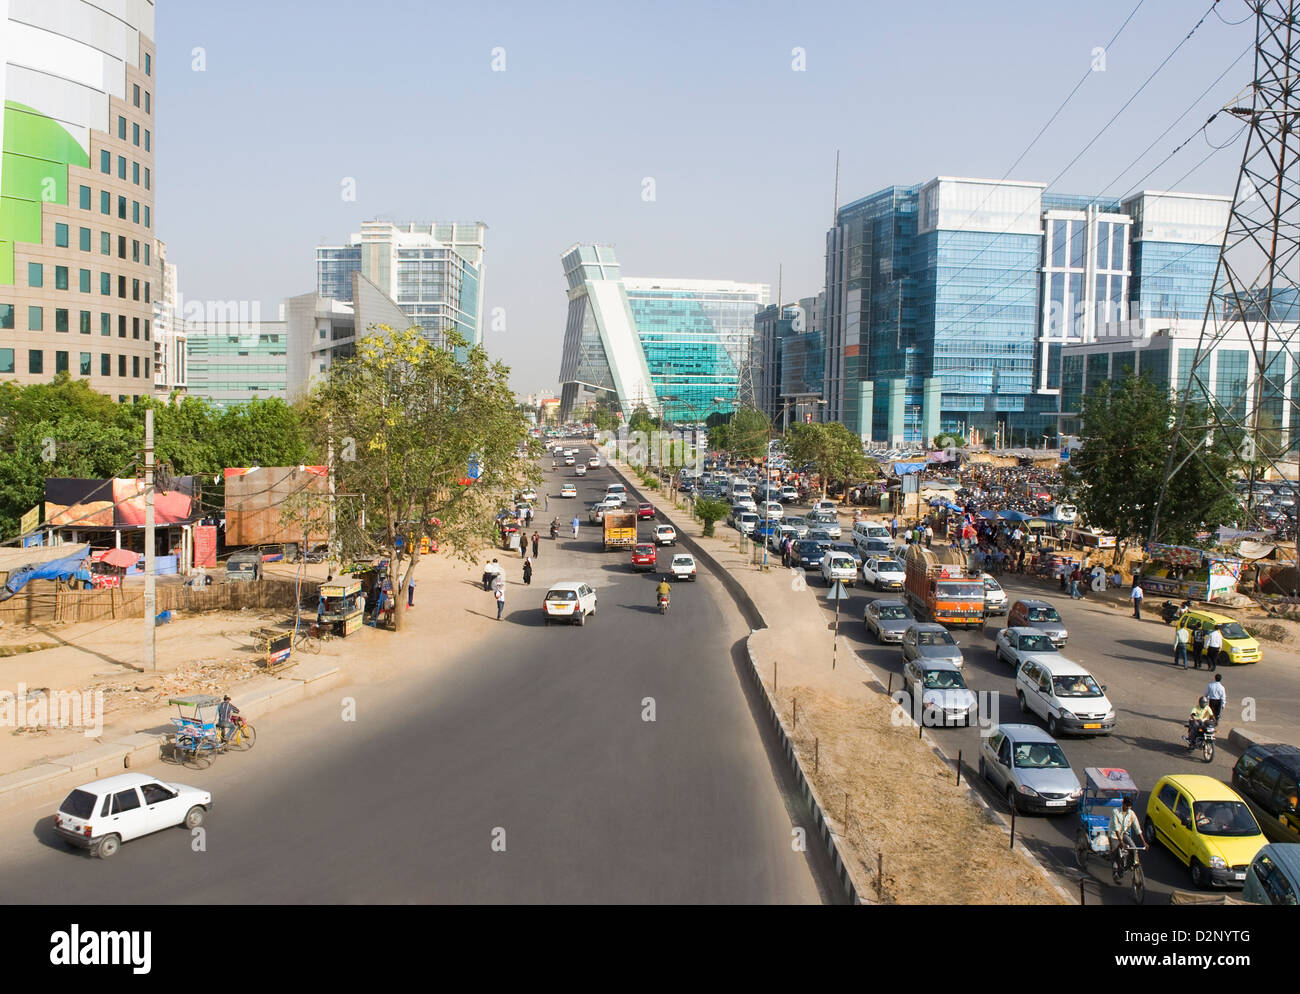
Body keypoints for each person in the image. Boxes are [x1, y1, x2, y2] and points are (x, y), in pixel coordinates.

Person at [1108, 796, 1145, 877]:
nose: (1128, 808)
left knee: (1134, 848)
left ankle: (1131, 864)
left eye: (1130, 806)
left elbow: (1137, 828)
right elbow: (1116, 829)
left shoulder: (1132, 814)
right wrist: (1121, 842)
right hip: (1114, 835)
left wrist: (1144, 842)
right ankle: (1115, 869)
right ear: (1123, 804)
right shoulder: (1115, 812)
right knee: (1115, 852)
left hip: (1124, 834)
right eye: (1127, 805)